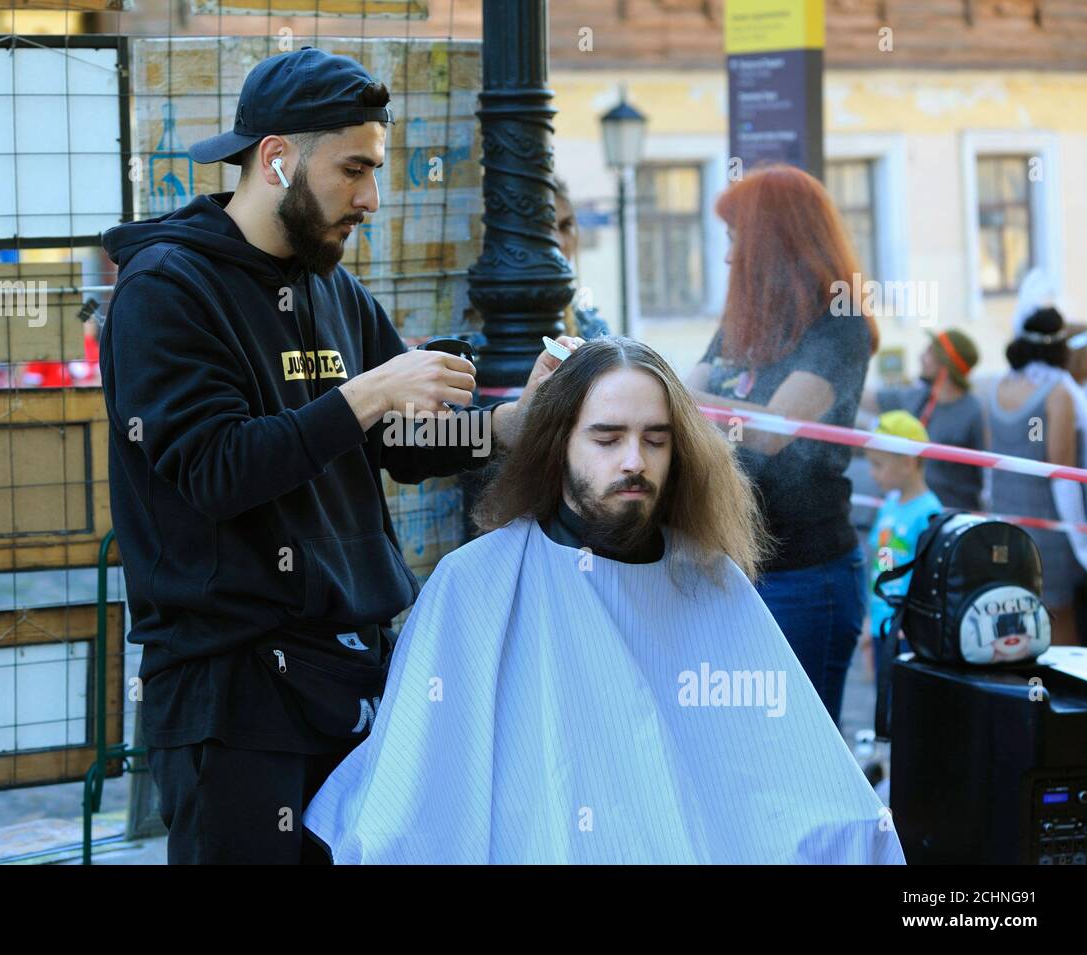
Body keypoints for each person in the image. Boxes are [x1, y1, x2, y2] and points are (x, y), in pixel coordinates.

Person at [99, 46, 572, 864]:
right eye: (353, 169)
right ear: (278, 158)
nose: (371, 198)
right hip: (231, 695)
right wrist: (369, 391)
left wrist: (507, 427)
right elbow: (217, 470)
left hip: (352, 671)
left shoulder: (329, 285)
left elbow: (397, 442)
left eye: (376, 168)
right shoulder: (167, 289)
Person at [304, 337, 904, 864]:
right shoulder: (476, 586)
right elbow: (412, 812)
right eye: (607, 437)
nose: (634, 461)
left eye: (656, 440)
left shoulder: (710, 580)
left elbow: (797, 782)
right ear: (556, 444)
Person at [683, 164, 877, 726]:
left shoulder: (840, 325)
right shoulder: (741, 325)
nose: (727, 257)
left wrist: (672, 398)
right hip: (734, 569)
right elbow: (682, 401)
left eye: (735, 239)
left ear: (771, 242)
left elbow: (772, 431)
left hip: (805, 576)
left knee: (804, 764)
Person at [987, 306, 1085, 647]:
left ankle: (1023, 695)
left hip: (1005, 523)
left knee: (1015, 624)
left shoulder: (999, 387)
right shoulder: (1058, 393)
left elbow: (992, 460)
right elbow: (1061, 472)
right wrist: (1080, 538)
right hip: (1047, 526)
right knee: (1061, 624)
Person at [860, 329, 984, 511]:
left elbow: (988, 479)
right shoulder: (918, 397)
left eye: (929, 352)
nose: (921, 357)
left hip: (950, 517)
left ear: (945, 362)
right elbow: (872, 399)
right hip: (912, 511)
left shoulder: (974, 413)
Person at [859, 411, 944, 673]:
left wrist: (912, 623)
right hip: (881, 624)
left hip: (907, 632)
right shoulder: (889, 506)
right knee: (883, 702)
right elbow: (881, 562)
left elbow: (931, 578)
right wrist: (870, 621)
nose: (872, 473)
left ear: (908, 463)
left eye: (878, 464)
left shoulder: (929, 512)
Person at [552, 176, 610, 340]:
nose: (560, 242)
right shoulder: (480, 335)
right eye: (545, 228)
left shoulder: (593, 330)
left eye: (565, 226)